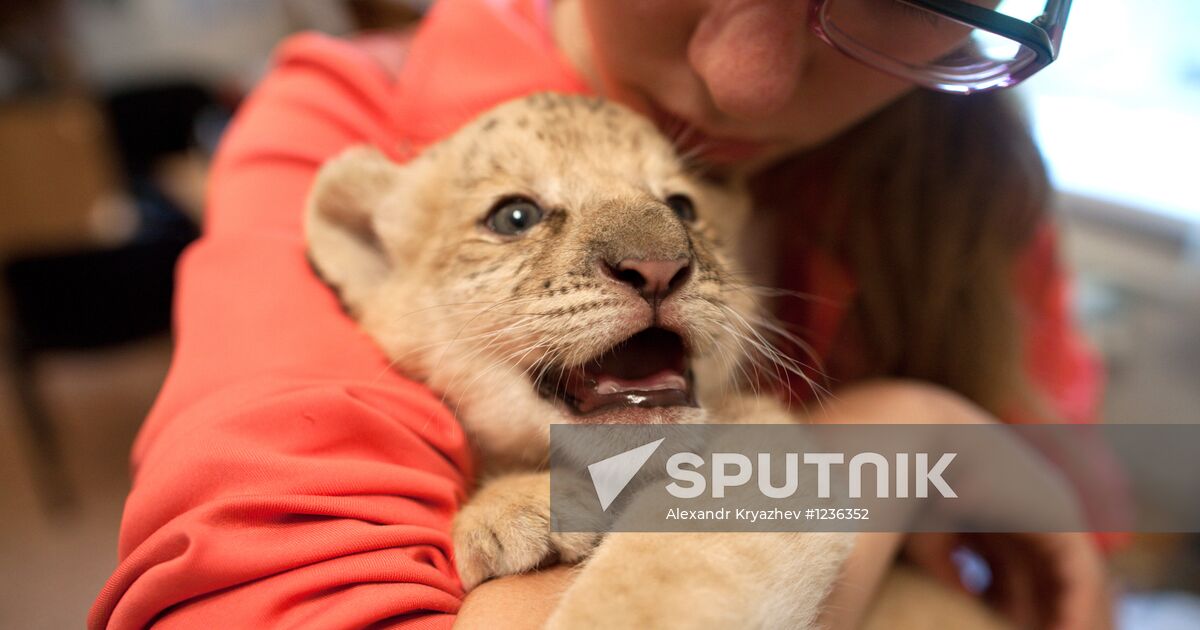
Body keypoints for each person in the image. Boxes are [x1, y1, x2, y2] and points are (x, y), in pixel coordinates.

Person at [89, 0, 1112, 628]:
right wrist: (889, 438)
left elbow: (1083, 534)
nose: (742, 86)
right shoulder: (351, 133)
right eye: (518, 214)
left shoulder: (985, 174)